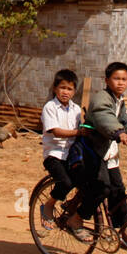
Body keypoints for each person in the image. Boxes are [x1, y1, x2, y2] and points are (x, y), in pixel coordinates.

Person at [82, 61, 127, 254]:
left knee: (119, 191)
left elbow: (126, 123)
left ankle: (125, 233)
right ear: (107, 80)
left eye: (124, 79)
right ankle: (77, 218)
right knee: (102, 187)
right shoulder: (101, 99)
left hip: (109, 153)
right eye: (116, 79)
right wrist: (120, 134)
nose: (121, 83)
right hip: (94, 151)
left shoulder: (119, 101)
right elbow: (105, 119)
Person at [38, 69, 94, 242]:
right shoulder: (50, 107)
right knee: (66, 182)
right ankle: (48, 205)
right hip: (54, 154)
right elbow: (55, 131)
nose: (65, 92)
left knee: (89, 182)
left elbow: (83, 127)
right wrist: (79, 132)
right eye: (62, 88)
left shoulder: (76, 109)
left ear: (74, 91)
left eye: (69, 89)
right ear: (55, 89)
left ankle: (73, 214)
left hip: (71, 155)